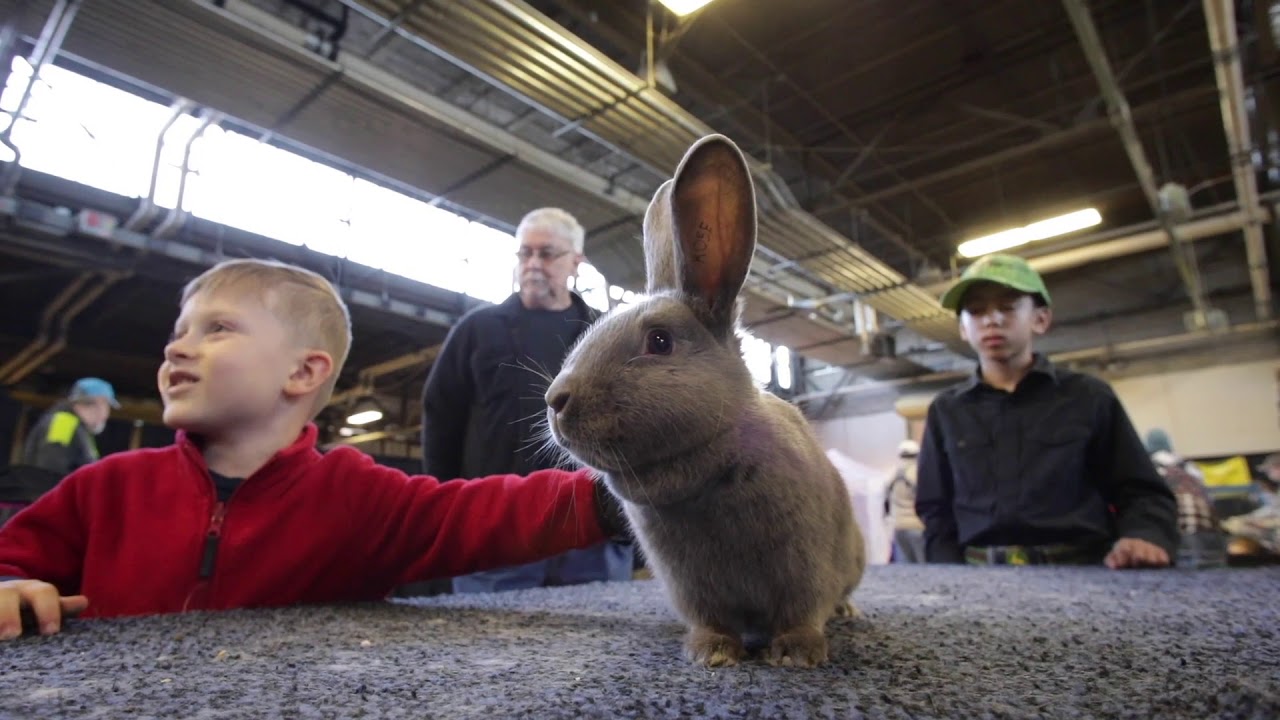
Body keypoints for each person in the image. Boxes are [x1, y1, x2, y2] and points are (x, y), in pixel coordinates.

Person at [0, 258, 626, 640]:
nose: (177, 348)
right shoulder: (105, 489)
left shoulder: (356, 498)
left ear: (302, 372)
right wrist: (12, 586)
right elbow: (15, 557)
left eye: (217, 329)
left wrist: (619, 493)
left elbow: (473, 515)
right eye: (179, 331)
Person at [915, 253, 1178, 568]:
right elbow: (935, 508)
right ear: (962, 328)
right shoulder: (947, 410)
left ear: (1040, 319)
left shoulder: (1088, 396)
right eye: (976, 310)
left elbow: (1141, 490)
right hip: (979, 576)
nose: (991, 319)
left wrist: (1145, 534)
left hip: (1083, 571)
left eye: (1007, 307)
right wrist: (946, 574)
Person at [422, 208, 632, 593]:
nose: (533, 264)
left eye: (547, 253)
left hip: (590, 535)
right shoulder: (477, 330)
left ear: (576, 262)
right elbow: (441, 418)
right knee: (486, 633)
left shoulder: (608, 335)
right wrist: (451, 513)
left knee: (600, 633)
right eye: (525, 253)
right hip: (497, 532)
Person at [1145, 428, 1226, 569]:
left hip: (1172, 532)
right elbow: (1207, 496)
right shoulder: (1190, 466)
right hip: (1209, 531)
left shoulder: (1147, 467)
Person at [21, 377, 120, 477]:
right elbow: (50, 471)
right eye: (107, 406)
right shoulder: (63, 424)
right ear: (100, 402)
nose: (106, 414)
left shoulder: (75, 426)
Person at [885, 439, 926, 563]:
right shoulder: (919, 473)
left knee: (905, 568)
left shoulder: (892, 474)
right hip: (917, 526)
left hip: (899, 526)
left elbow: (886, 501)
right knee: (924, 567)